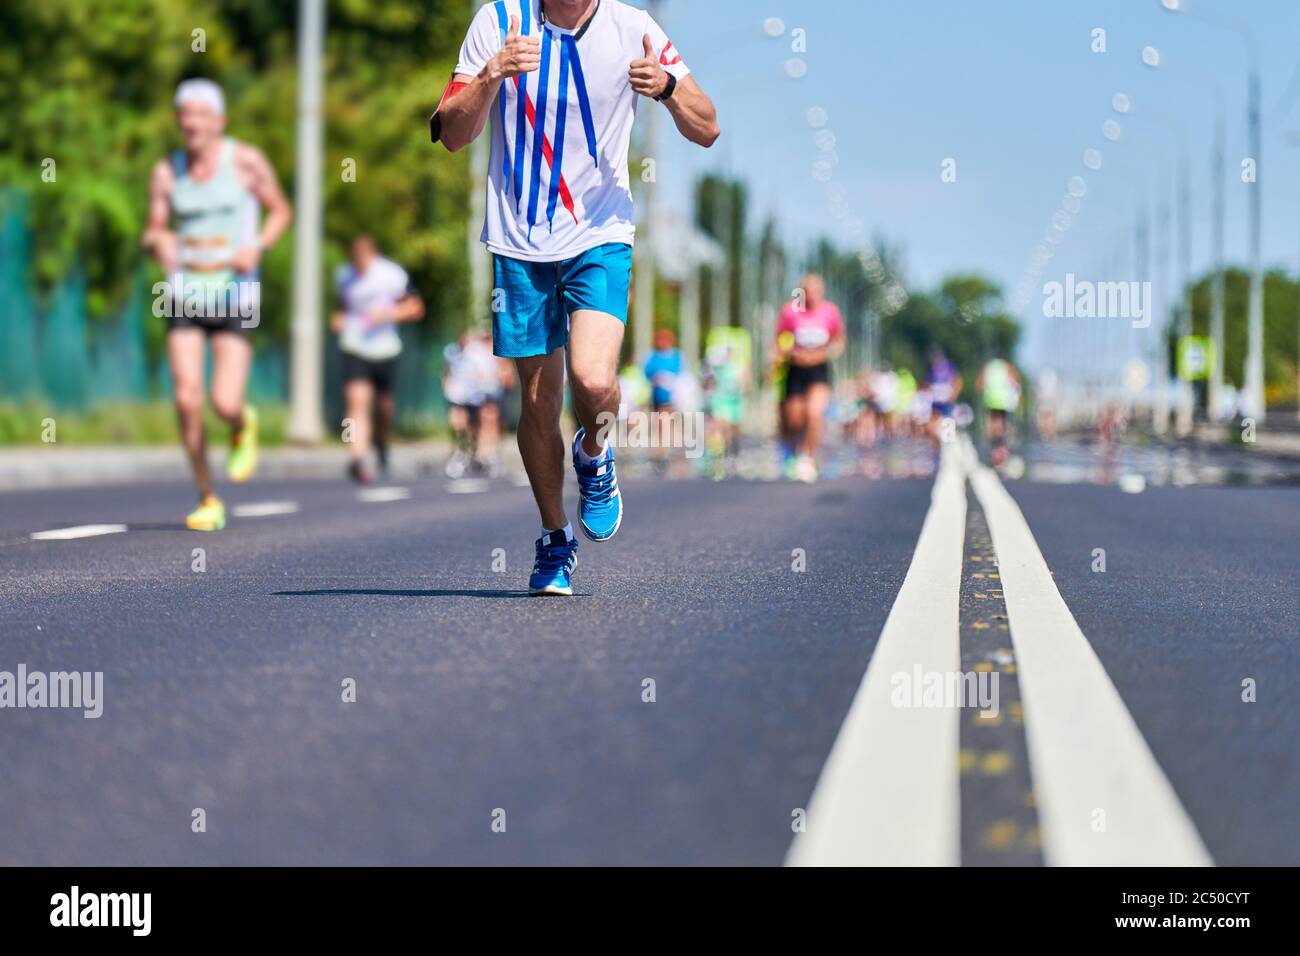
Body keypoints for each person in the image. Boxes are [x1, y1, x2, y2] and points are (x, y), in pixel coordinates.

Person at [434, 0, 719, 595]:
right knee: (538, 400)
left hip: (600, 235)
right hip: (518, 240)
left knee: (592, 381)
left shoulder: (633, 26)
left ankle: (594, 452)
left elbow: (708, 127)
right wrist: (490, 76)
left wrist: (666, 88)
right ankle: (555, 538)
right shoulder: (499, 20)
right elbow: (452, 135)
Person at [143, 78, 292, 531]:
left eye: (201, 115)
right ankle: (208, 497)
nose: (192, 123)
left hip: (235, 295)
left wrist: (258, 246)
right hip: (184, 294)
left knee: (222, 400)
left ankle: (240, 420)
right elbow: (152, 229)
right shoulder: (167, 172)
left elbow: (280, 210)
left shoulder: (245, 161)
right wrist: (160, 242)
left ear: (219, 121)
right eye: (185, 115)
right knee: (187, 398)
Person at [331, 236, 424, 483]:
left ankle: (381, 442)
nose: (359, 266)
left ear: (373, 256)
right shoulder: (344, 275)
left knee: (383, 407)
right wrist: (339, 320)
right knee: (355, 402)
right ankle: (356, 456)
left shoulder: (392, 275)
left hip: (385, 348)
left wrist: (388, 314)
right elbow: (341, 308)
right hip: (355, 346)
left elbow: (416, 308)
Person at [775, 273, 845, 482]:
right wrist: (787, 353)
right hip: (795, 370)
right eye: (809, 290)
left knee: (815, 414)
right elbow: (779, 339)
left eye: (817, 291)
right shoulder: (790, 311)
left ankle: (807, 457)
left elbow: (839, 342)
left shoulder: (830, 312)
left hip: (819, 370)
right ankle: (793, 450)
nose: (812, 295)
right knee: (795, 418)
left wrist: (824, 353)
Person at [442, 328, 509, 478]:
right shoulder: (455, 352)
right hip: (465, 394)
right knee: (460, 419)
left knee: (488, 418)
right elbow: (448, 370)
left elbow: (501, 371)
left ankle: (486, 455)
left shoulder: (488, 352)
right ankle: (462, 452)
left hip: (486, 391)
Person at [643, 327, 682, 469]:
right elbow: (647, 373)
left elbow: (680, 375)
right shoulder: (653, 356)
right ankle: (661, 450)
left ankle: (663, 451)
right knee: (659, 423)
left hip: (670, 397)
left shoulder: (675, 356)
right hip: (656, 395)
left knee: (664, 422)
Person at [976, 356, 1021, 467]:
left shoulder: (988, 367)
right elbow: (1016, 382)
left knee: (994, 430)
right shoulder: (1006, 367)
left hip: (994, 402)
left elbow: (979, 385)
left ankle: (998, 454)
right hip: (1001, 403)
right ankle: (998, 454)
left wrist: (983, 393)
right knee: (998, 430)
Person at [925, 348, 963, 451]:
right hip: (935, 403)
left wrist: (953, 396)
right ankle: (936, 453)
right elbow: (928, 384)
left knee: (948, 431)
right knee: (932, 429)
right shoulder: (931, 369)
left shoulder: (949, 367)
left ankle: (949, 453)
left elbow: (957, 381)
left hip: (947, 403)